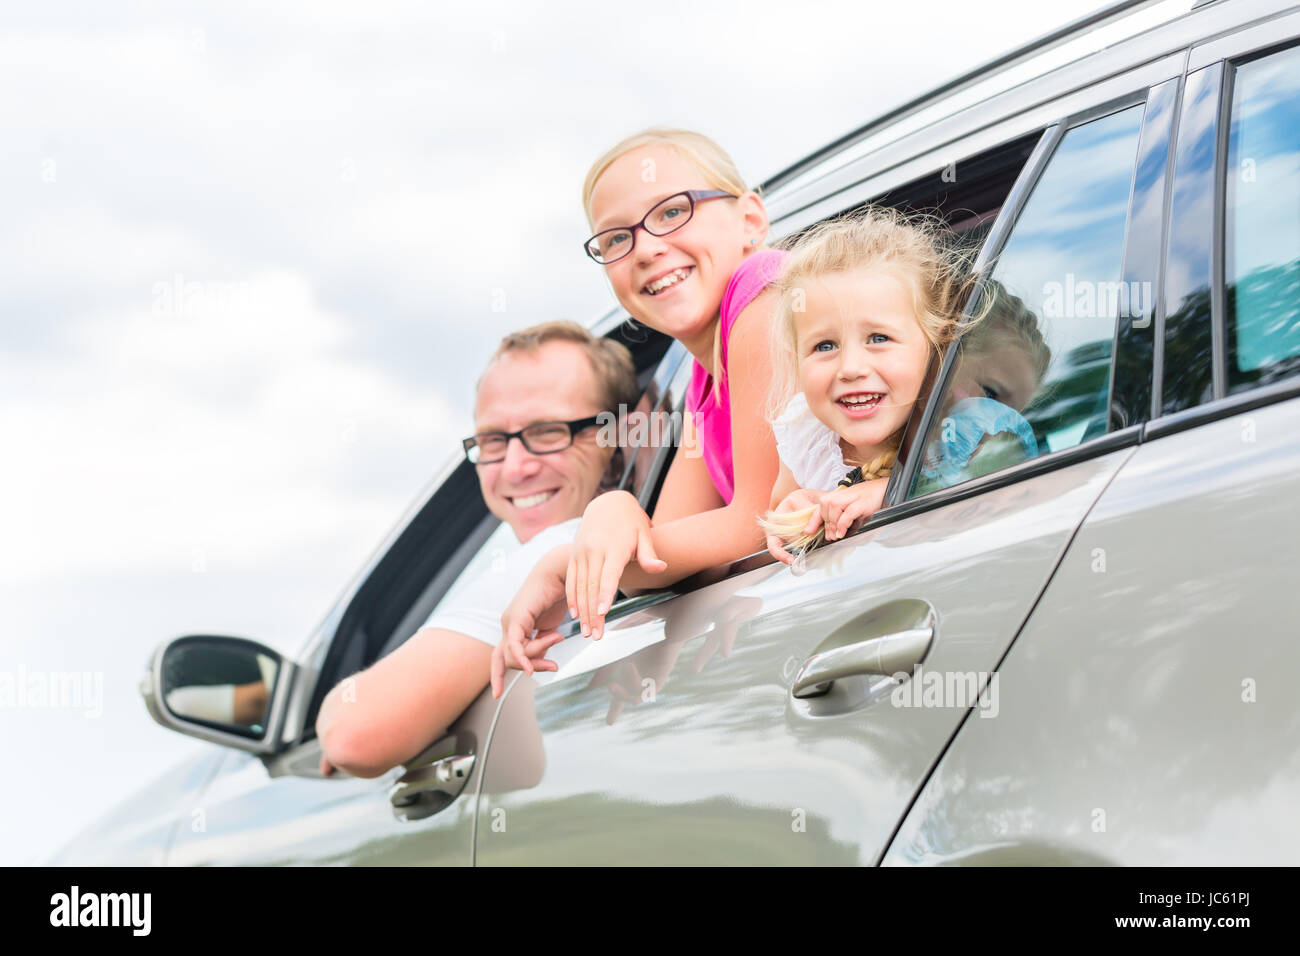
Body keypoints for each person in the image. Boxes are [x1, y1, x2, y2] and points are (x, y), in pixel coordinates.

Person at [492, 129, 787, 695]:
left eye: (673, 211)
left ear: (750, 219)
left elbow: (757, 519)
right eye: (615, 239)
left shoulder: (765, 293)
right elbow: (663, 556)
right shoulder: (706, 375)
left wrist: (565, 567)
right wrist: (614, 514)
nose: (647, 248)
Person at [315, 321, 638, 778]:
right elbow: (526, 770)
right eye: (492, 440)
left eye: (547, 431)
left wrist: (331, 717)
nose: (514, 467)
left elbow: (356, 734)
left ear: (617, 437)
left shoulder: (566, 543)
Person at [757, 207, 986, 562]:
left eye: (878, 338)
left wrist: (890, 492)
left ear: (936, 342)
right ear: (796, 359)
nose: (850, 368)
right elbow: (778, 522)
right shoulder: (807, 433)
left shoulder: (963, 426)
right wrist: (796, 512)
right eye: (825, 346)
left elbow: (996, 490)